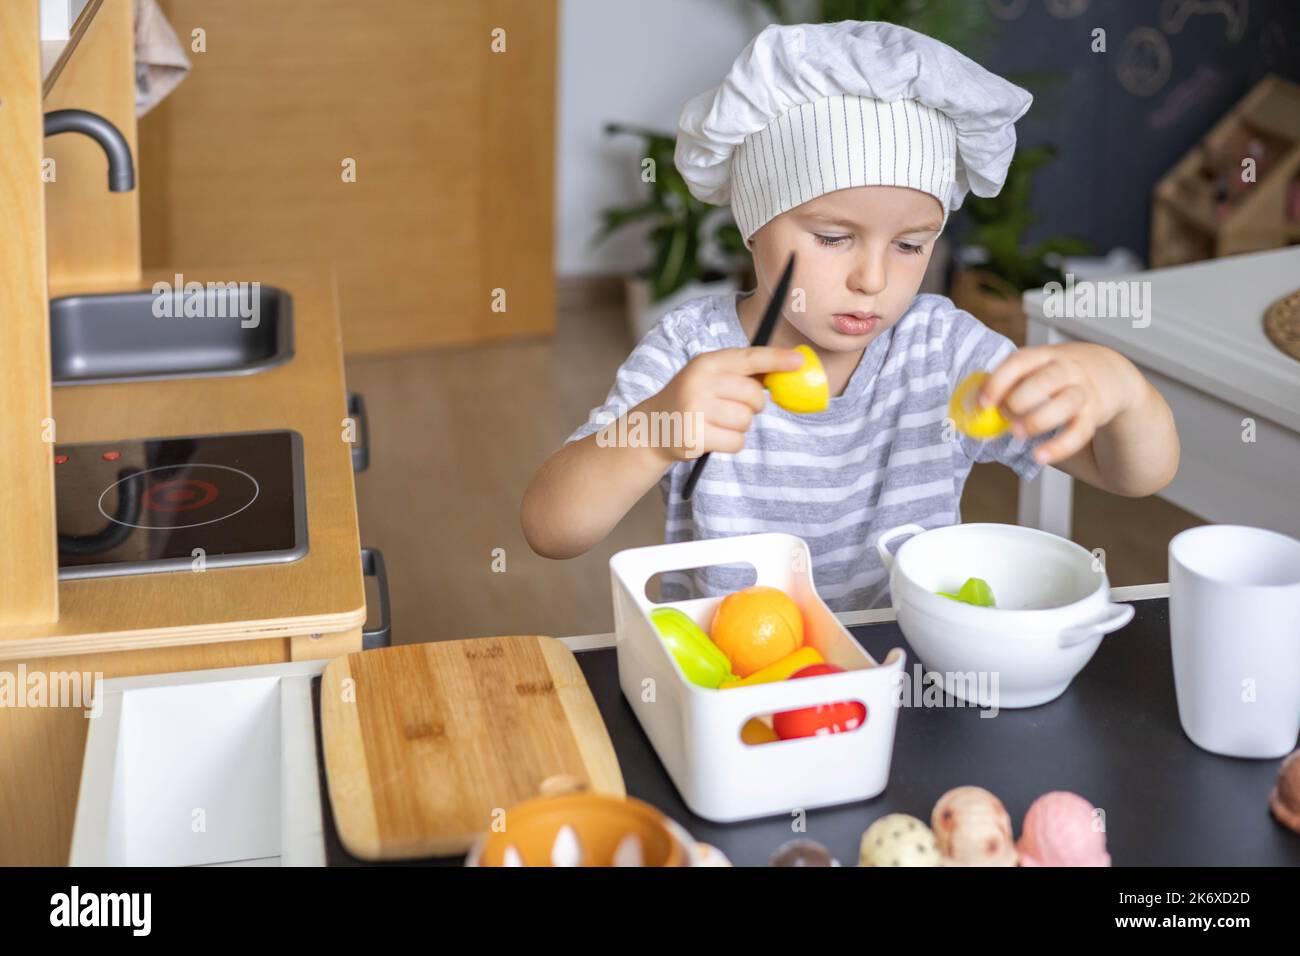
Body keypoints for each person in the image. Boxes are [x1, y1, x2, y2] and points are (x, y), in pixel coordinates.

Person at [522, 21, 1179, 611]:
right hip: (739, 680)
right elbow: (551, 527)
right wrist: (655, 431)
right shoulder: (694, 352)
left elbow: (1135, 475)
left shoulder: (941, 351)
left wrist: (1123, 390)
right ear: (754, 225)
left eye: (911, 245)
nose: (871, 278)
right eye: (834, 238)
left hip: (907, 672)